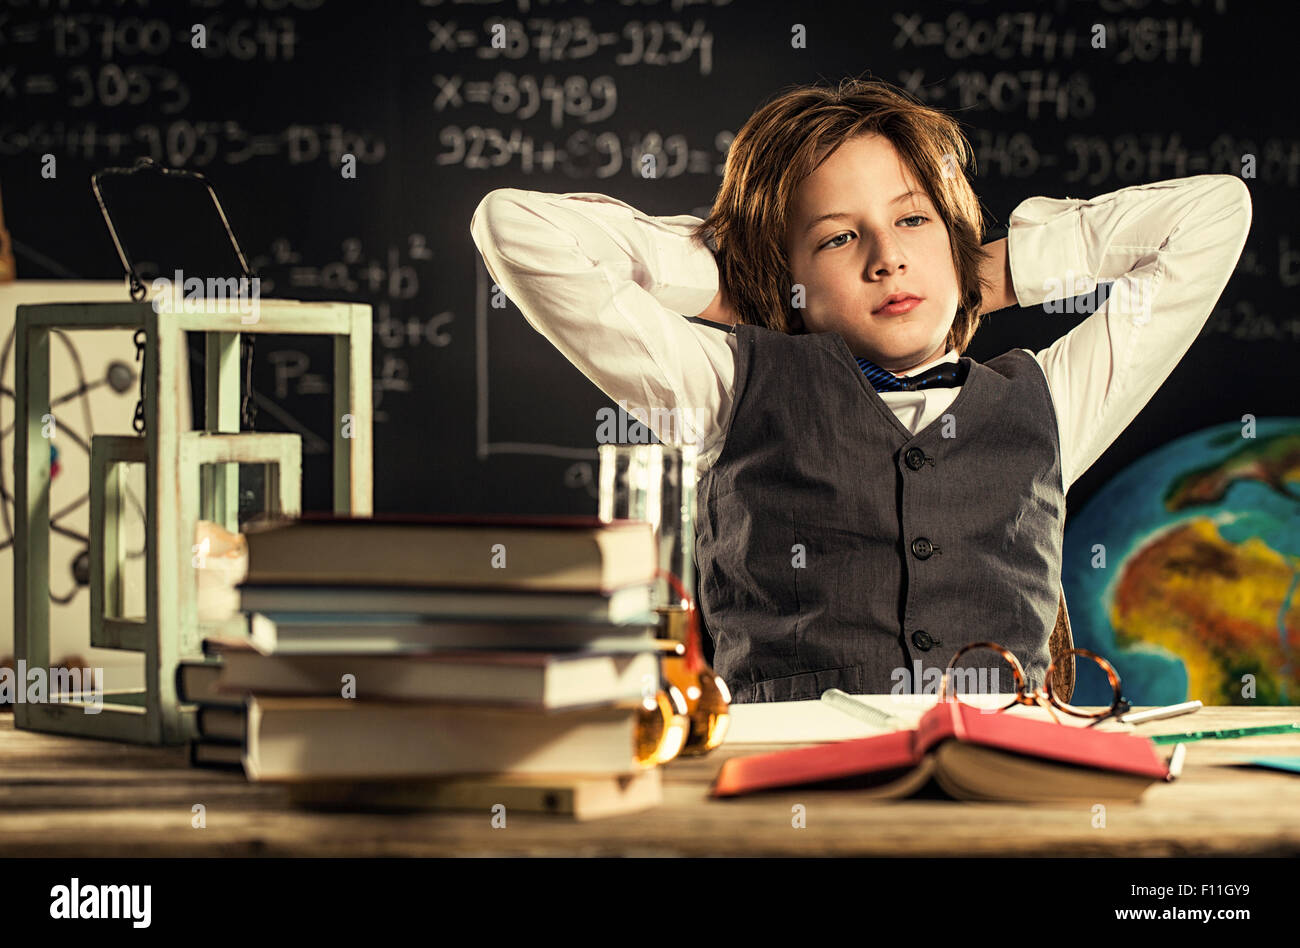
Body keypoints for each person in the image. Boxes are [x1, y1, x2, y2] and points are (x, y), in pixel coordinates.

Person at [469, 77, 1252, 704]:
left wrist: (990, 275)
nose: (888, 258)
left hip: (1006, 785)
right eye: (839, 237)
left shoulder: (1053, 398)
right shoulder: (726, 385)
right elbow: (517, 228)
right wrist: (741, 285)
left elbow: (1214, 214)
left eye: (913, 221)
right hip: (794, 786)